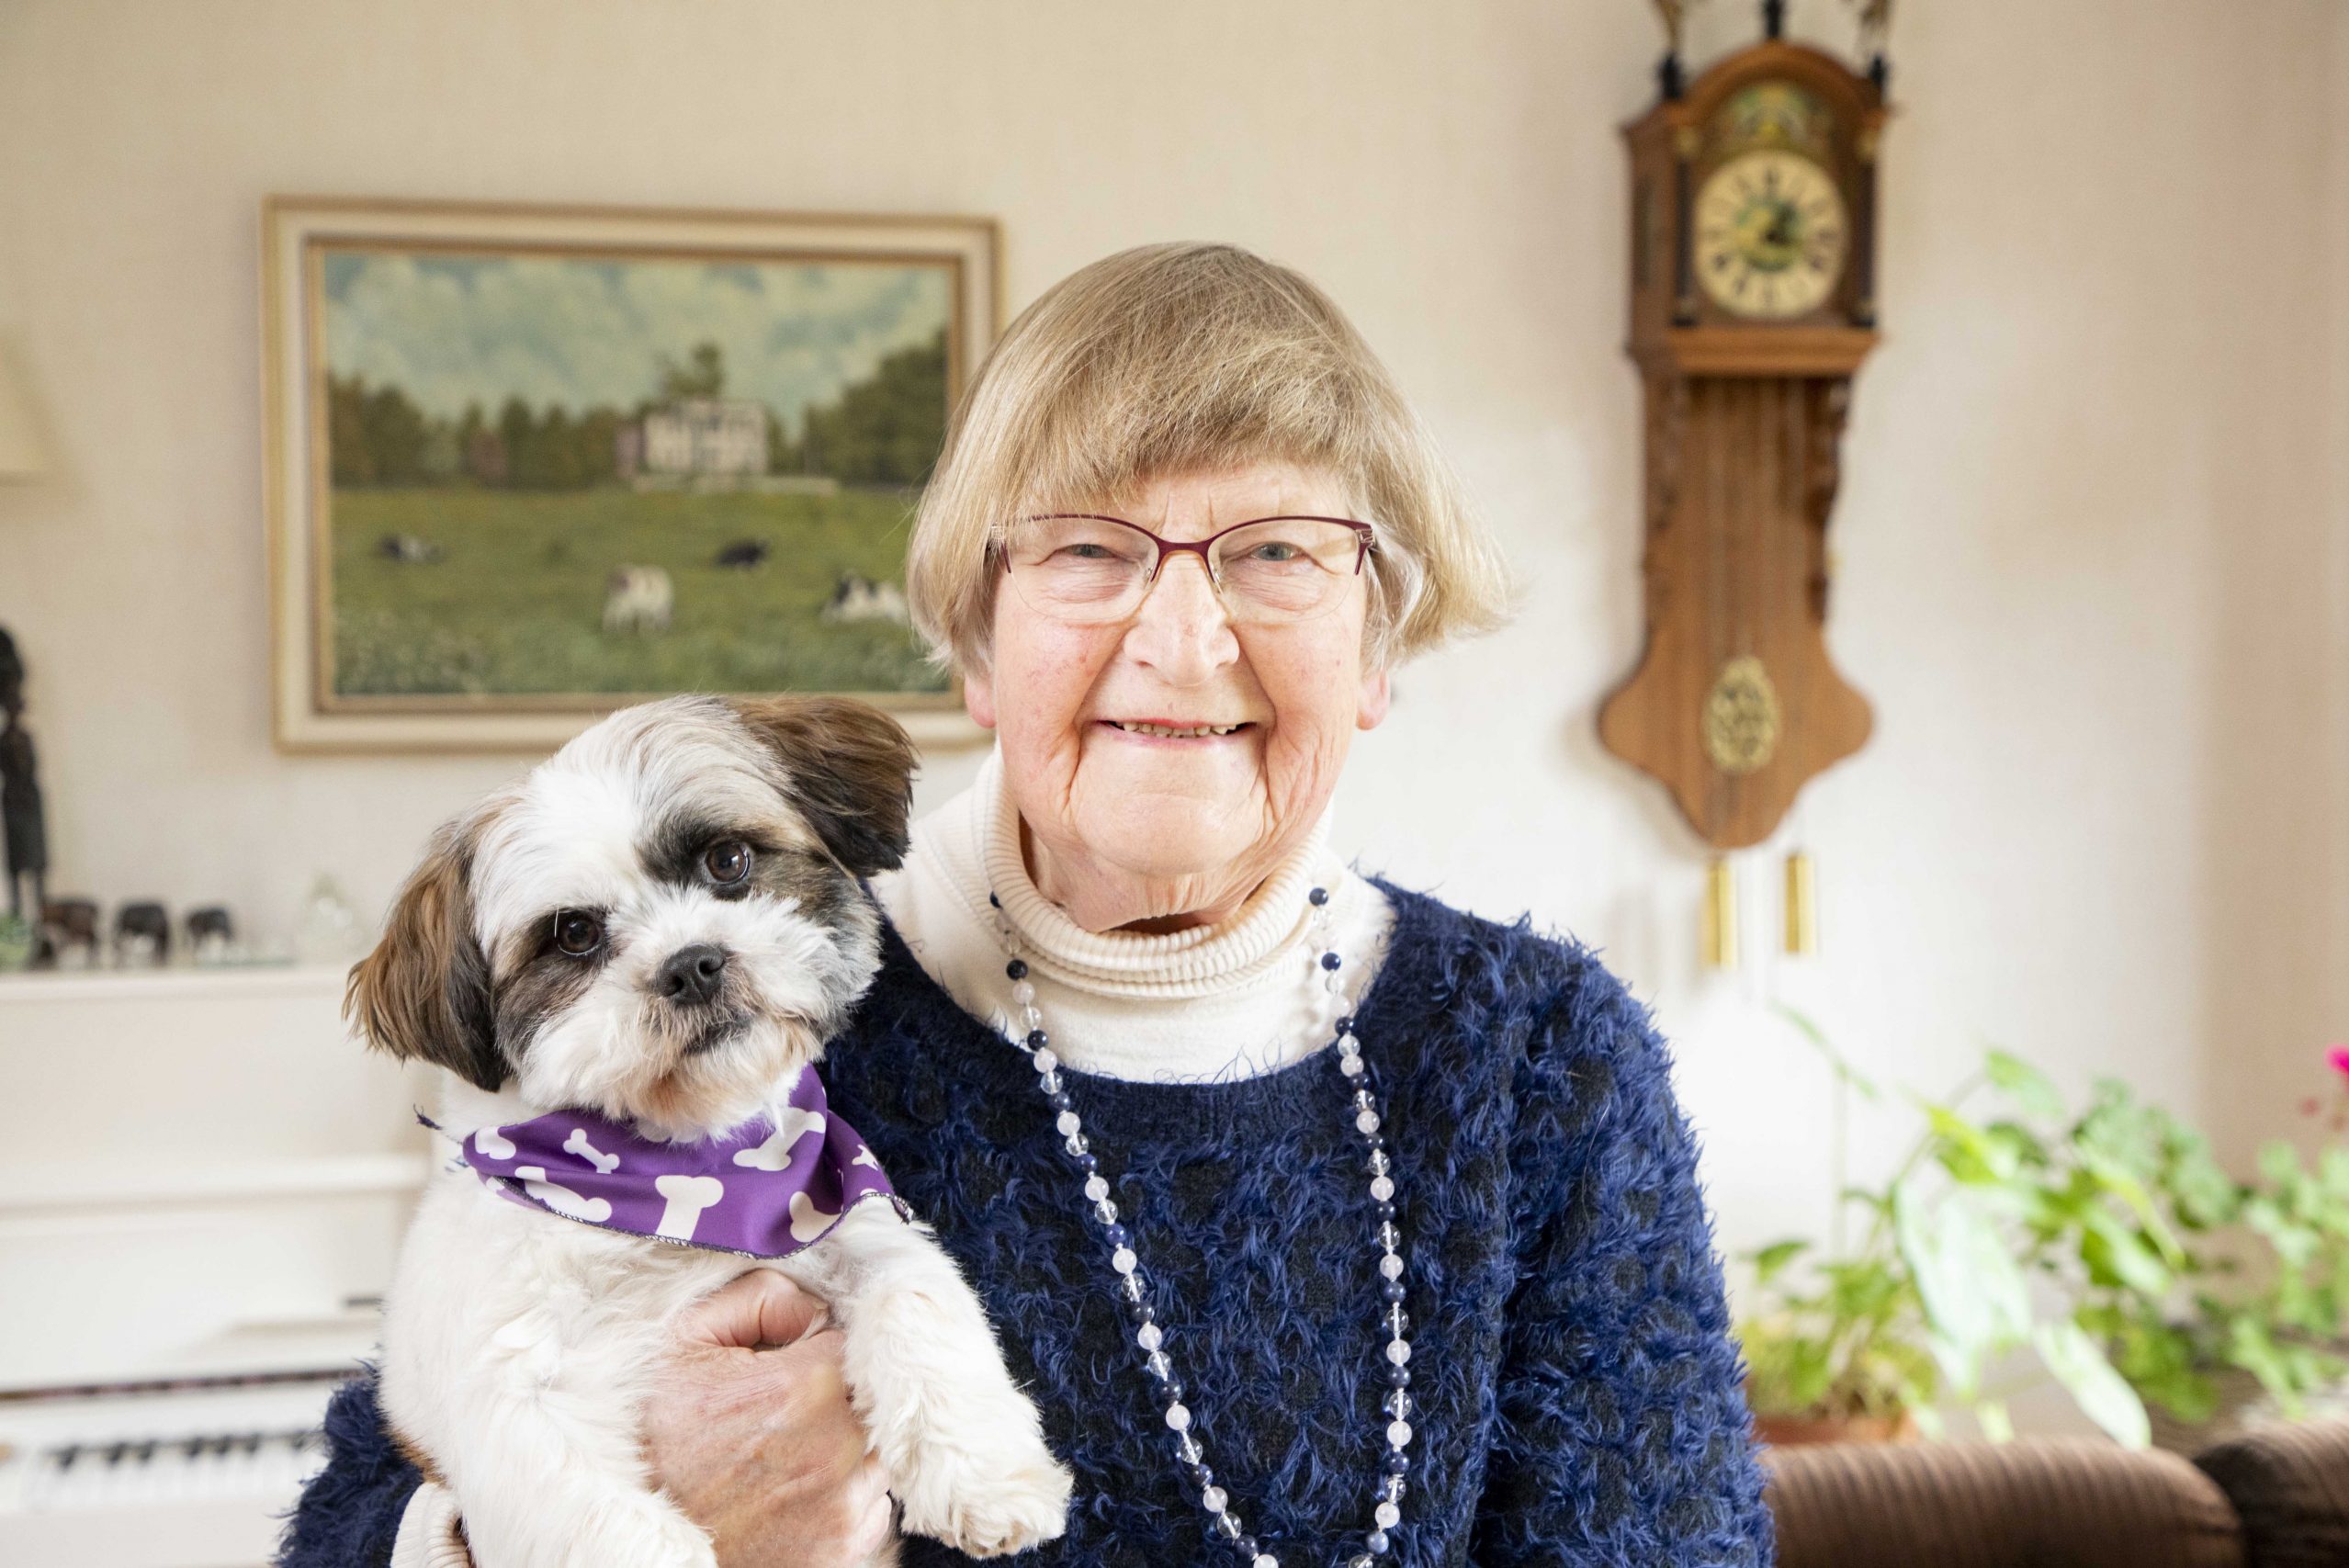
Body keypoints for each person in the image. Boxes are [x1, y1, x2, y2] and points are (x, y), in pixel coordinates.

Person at [281, 243, 1771, 1568]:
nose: (1184, 643)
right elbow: (368, 1503)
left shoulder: (1537, 1062)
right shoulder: (728, 1030)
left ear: (1378, 646)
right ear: (976, 643)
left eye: (1277, 551)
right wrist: (539, 1537)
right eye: (1089, 549)